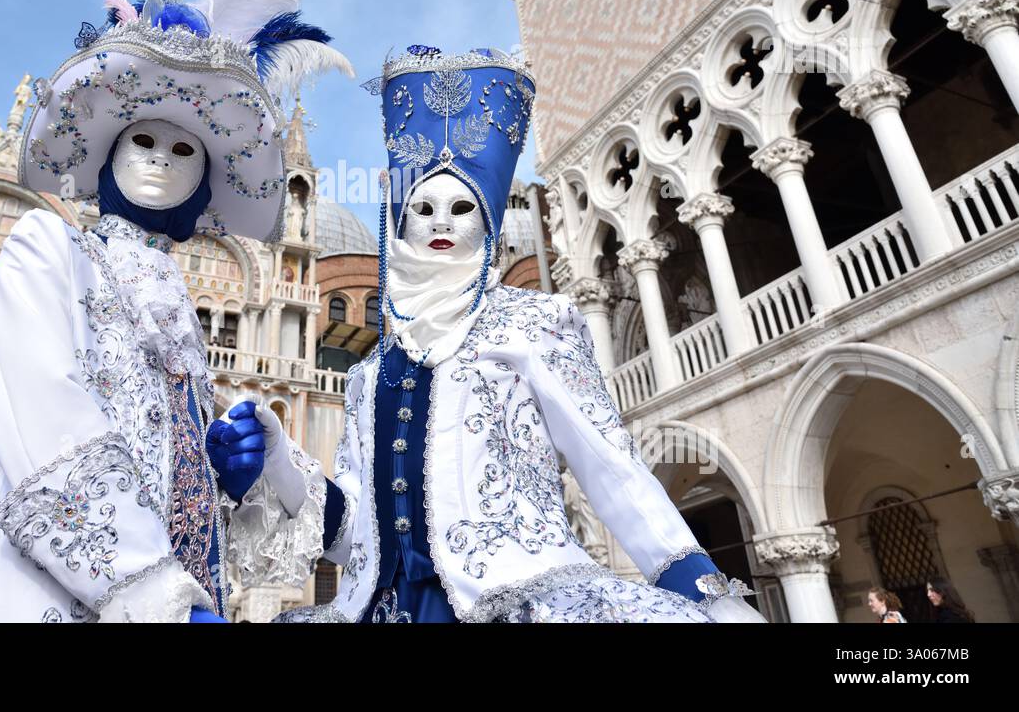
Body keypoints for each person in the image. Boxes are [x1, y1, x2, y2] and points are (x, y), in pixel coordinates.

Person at [211, 46, 763, 623]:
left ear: (489, 222)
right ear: (399, 226)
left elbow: (614, 470)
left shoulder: (536, 326)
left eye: (460, 207)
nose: (442, 221)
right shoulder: (370, 375)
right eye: (423, 208)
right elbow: (356, 535)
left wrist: (707, 595)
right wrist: (278, 460)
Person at [0, 0, 351, 623]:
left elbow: (158, 471)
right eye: (143, 142)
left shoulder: (179, 312)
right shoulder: (48, 249)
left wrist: (227, 480)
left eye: (184, 151)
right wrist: (157, 596)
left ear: (204, 180)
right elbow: (48, 429)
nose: (159, 162)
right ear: (107, 150)